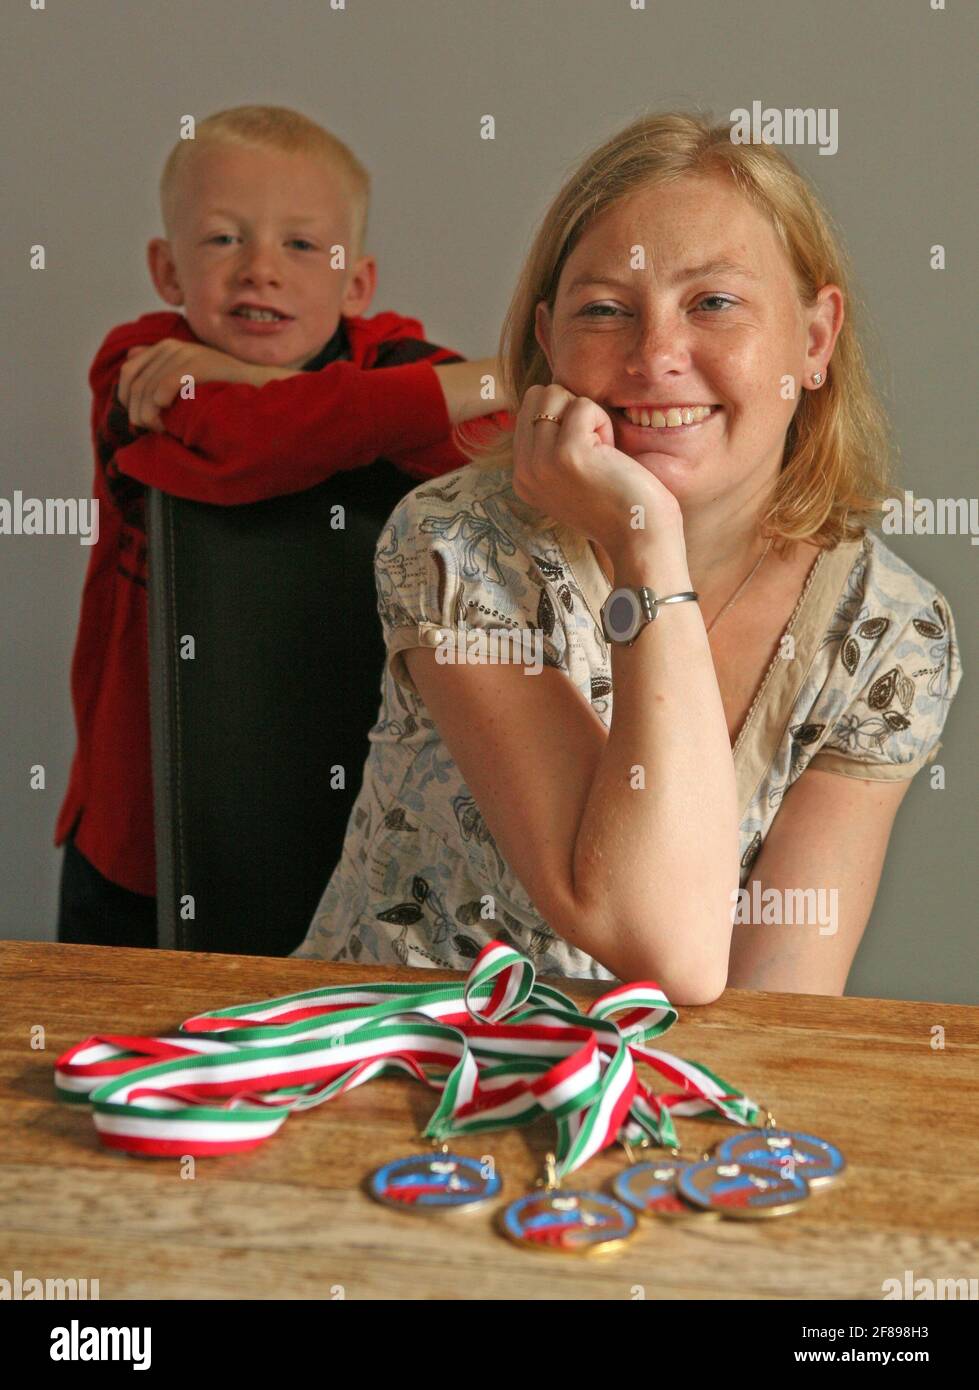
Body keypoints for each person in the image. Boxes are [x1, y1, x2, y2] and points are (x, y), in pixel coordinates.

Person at [293, 111, 962, 1002]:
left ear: (812, 340)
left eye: (713, 303)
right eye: (604, 311)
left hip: (669, 1112)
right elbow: (661, 944)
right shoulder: (455, 545)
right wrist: (647, 544)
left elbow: (779, 1002)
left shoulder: (887, 633)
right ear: (549, 347)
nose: (653, 357)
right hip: (389, 1082)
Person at [54, 104, 506, 948]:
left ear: (357, 285)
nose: (260, 269)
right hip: (144, 831)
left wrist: (246, 377)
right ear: (166, 268)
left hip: (347, 820)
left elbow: (500, 442)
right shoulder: (141, 368)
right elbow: (246, 443)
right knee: (124, 1052)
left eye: (302, 246)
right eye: (223, 240)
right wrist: (257, 392)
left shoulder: (392, 360)